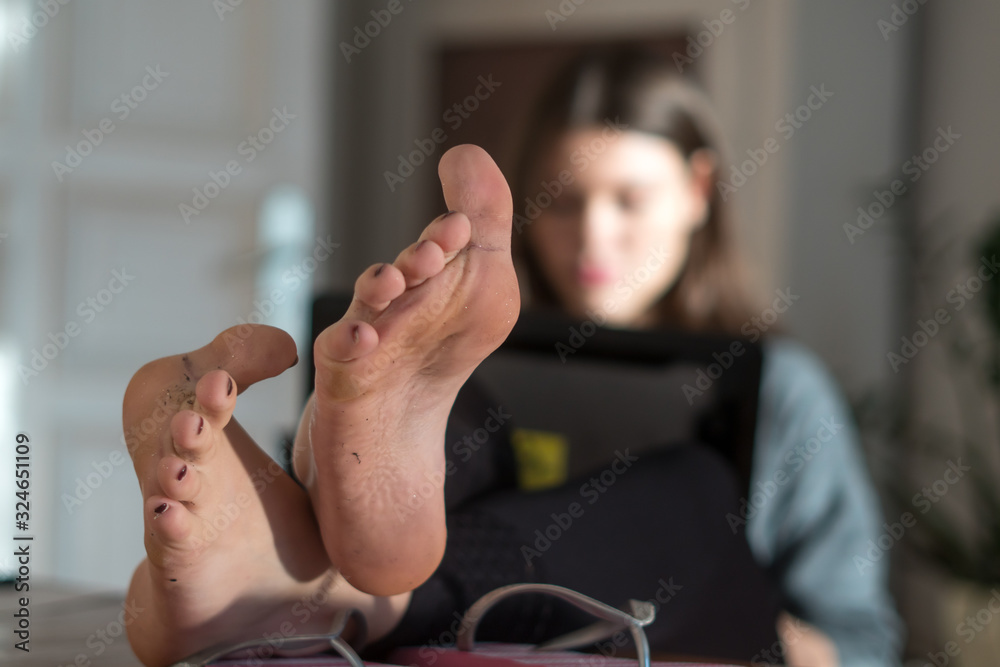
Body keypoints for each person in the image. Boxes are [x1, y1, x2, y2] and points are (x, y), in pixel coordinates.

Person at [122, 52, 900, 667]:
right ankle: (312, 559)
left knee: (693, 490)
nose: (594, 236)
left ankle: (313, 584)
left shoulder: (785, 390)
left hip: (685, 627)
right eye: (563, 200)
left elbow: (865, 643)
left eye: (628, 199)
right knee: (463, 410)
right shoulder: (472, 351)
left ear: (699, 189)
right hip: (477, 626)